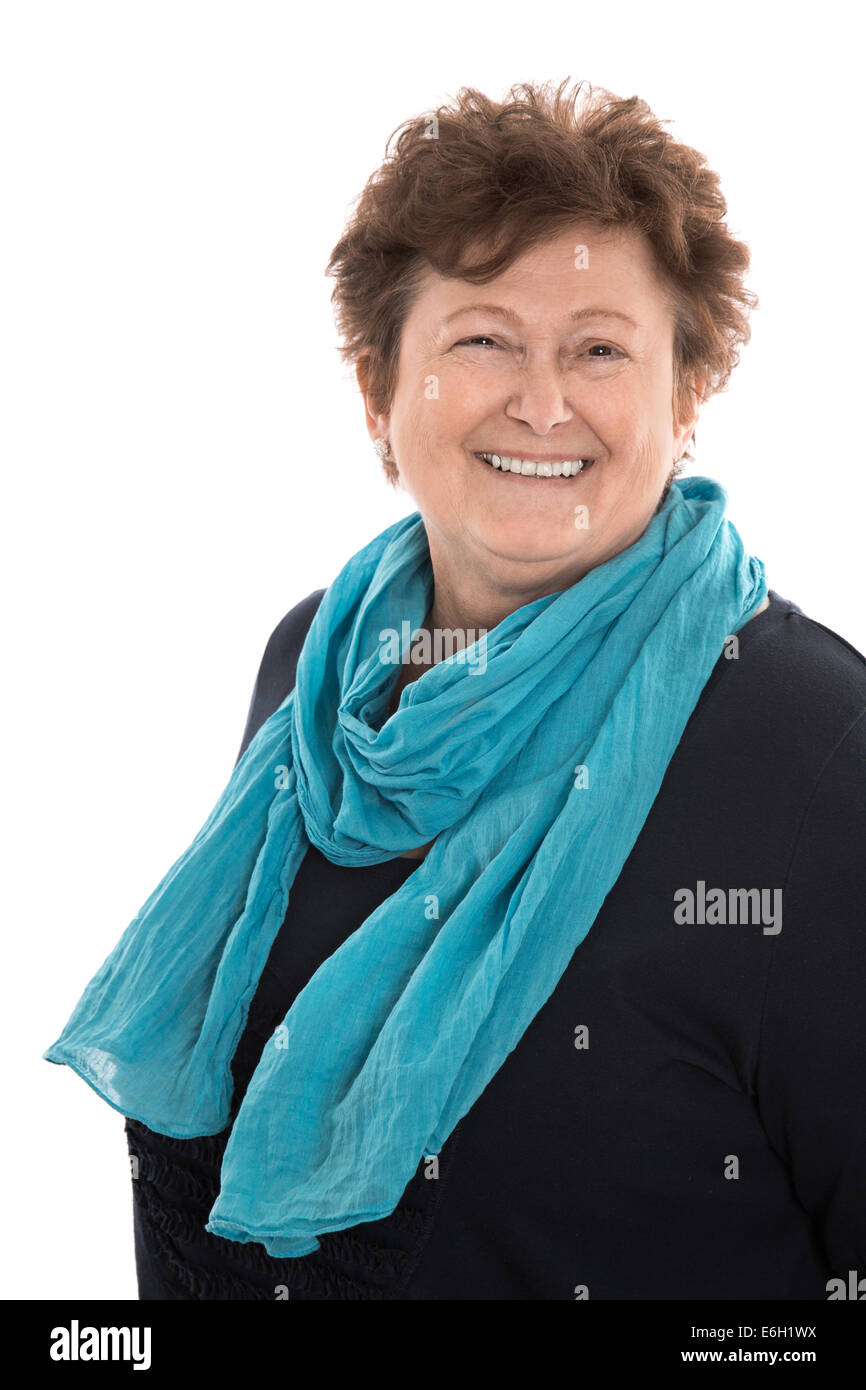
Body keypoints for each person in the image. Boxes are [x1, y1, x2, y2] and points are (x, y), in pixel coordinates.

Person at [45, 80, 866, 1301]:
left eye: (598, 348)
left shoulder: (816, 745)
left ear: (685, 398)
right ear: (379, 389)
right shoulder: (309, 666)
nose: (540, 403)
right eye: (480, 339)